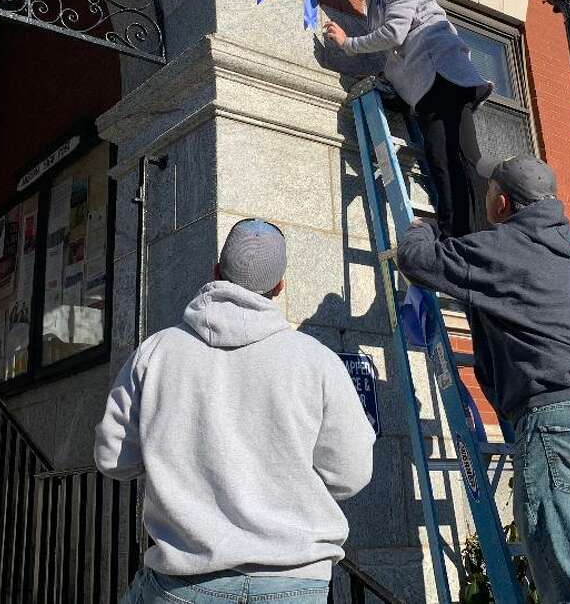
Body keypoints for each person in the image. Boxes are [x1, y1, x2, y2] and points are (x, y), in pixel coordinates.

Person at [396, 155, 570, 604]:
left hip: (561, 432)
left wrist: (422, 228)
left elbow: (417, 261)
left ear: (503, 203)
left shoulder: (501, 247)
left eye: (490, 191)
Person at [95, 218, 375, 603]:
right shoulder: (318, 361)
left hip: (185, 579)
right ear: (280, 287)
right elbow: (349, 475)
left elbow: (113, 459)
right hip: (295, 581)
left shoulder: (156, 353)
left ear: (215, 273)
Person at [324, 0, 492, 238]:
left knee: (455, 158)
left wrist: (348, 44)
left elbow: (395, 31)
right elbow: (399, 42)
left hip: (440, 74)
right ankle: (461, 234)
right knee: (445, 158)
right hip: (431, 79)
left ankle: (470, 236)